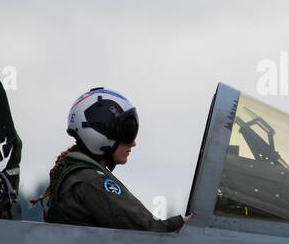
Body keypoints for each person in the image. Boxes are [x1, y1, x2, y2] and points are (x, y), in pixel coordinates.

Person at [38, 87, 189, 231]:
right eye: (128, 132)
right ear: (100, 132)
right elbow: (148, 230)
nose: (133, 142)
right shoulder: (91, 181)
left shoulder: (77, 174)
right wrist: (185, 222)